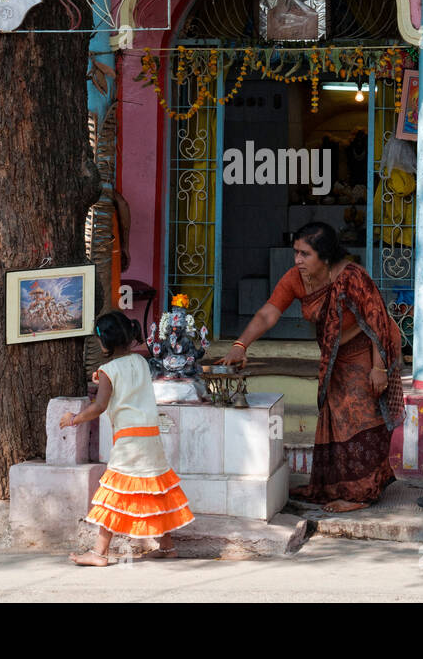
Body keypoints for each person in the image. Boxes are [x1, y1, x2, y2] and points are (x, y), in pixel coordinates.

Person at [220, 222, 403, 512]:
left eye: (305, 254)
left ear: (325, 256)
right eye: (296, 253)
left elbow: (377, 321)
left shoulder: (352, 276)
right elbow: (269, 312)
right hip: (335, 358)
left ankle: (361, 493)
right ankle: (336, 487)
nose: (297, 260)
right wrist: (240, 345)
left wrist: (378, 368)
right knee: (335, 423)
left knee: (361, 420)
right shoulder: (296, 278)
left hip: (369, 351)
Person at [60, 311, 193, 566]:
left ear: (103, 342)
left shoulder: (108, 370)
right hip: (151, 436)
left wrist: (74, 419)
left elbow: (99, 406)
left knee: (114, 491)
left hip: (129, 440)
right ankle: (166, 547)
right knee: (154, 488)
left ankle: (99, 553)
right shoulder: (142, 363)